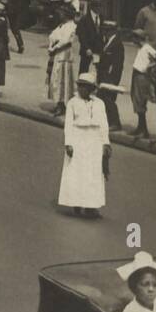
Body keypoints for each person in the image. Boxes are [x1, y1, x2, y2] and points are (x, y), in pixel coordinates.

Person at [57, 71, 110, 219]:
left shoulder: (100, 104)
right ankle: (77, 202)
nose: (82, 90)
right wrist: (68, 143)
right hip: (78, 139)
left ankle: (91, 206)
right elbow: (68, 125)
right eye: (80, 86)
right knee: (77, 172)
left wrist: (106, 143)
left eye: (86, 87)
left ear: (92, 89)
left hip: (94, 141)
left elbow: (104, 124)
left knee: (92, 173)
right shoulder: (73, 103)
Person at [46, 5, 78, 117]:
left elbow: (65, 40)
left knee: (63, 81)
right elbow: (52, 36)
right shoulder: (61, 26)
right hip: (57, 56)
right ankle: (58, 102)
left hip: (65, 56)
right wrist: (51, 45)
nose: (59, 15)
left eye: (61, 13)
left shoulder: (72, 26)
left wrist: (54, 48)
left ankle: (63, 105)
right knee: (56, 79)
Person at [95, 20, 126, 130]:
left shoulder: (117, 44)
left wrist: (113, 80)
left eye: (106, 30)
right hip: (103, 75)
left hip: (110, 77)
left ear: (112, 31)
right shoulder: (107, 42)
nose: (104, 32)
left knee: (108, 99)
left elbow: (118, 65)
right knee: (102, 98)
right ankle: (107, 120)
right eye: (104, 30)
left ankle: (115, 123)